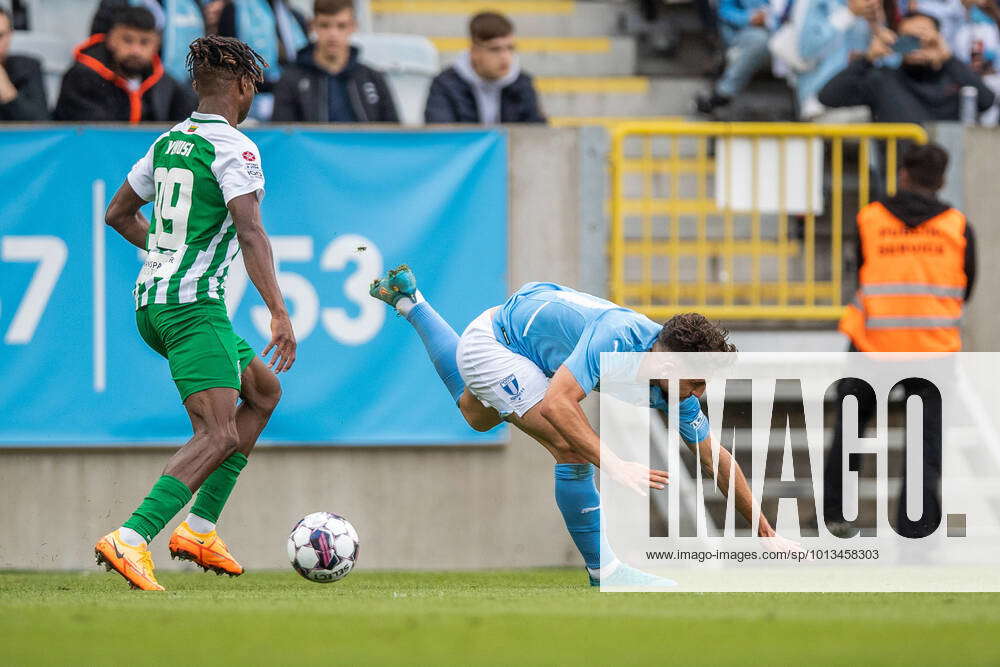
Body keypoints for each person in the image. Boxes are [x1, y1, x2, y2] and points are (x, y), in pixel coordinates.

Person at [369, 266, 794, 586]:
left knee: (474, 414)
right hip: (499, 342)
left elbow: (714, 458)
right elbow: (558, 403)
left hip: (530, 343)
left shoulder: (673, 383)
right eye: (698, 382)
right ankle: (605, 572)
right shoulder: (618, 338)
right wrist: (615, 465)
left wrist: (765, 532)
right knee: (570, 445)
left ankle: (411, 302)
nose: (700, 393)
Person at [95, 35, 297, 591]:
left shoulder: (168, 143)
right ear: (243, 86)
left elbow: (117, 213)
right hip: (190, 306)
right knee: (217, 433)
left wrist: (167, 253)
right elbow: (251, 232)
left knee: (263, 392)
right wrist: (278, 312)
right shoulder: (235, 148)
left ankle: (201, 528)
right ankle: (131, 536)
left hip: (153, 302)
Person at [828, 143, 976, 538]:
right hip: (932, 350)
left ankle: (836, 516)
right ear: (941, 181)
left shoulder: (870, 219)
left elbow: (860, 272)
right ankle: (917, 526)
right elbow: (967, 286)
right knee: (924, 444)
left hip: (872, 343)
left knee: (850, 431)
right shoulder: (957, 226)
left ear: (903, 174)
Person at [818, 11, 996, 121]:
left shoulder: (954, 76)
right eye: (909, 39)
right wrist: (868, 58)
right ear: (898, 40)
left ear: (938, 39)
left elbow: (986, 101)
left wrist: (948, 58)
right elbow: (828, 97)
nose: (917, 46)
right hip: (900, 168)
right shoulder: (883, 79)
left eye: (923, 38)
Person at [54, 6, 195, 123]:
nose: (136, 50)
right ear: (111, 40)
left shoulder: (164, 84)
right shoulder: (82, 78)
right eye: (127, 40)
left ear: (156, 45)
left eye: (144, 42)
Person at [272, 0, 398, 123]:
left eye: (341, 26)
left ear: (353, 26)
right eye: (325, 25)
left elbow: (394, 133)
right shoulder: (291, 80)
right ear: (313, 25)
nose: (333, 34)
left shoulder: (373, 79)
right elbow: (282, 132)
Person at [424, 11, 545, 125]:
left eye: (510, 48)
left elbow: (539, 132)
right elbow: (441, 134)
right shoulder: (445, 85)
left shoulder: (522, 84)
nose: (505, 57)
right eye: (495, 49)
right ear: (474, 52)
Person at [89, 0, 225, 83]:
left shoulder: (192, 5)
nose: (136, 49)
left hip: (183, 84)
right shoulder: (114, 5)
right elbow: (98, 41)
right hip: (123, 82)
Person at [696, 0, 775, 114]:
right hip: (745, 31)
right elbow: (724, 10)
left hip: (784, 31)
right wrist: (749, 18)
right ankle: (723, 93)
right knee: (760, 40)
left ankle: (804, 107)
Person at [0, 6, 48, 121]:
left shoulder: (27, 69)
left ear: (10, 35)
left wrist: (8, 93)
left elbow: (42, 123)